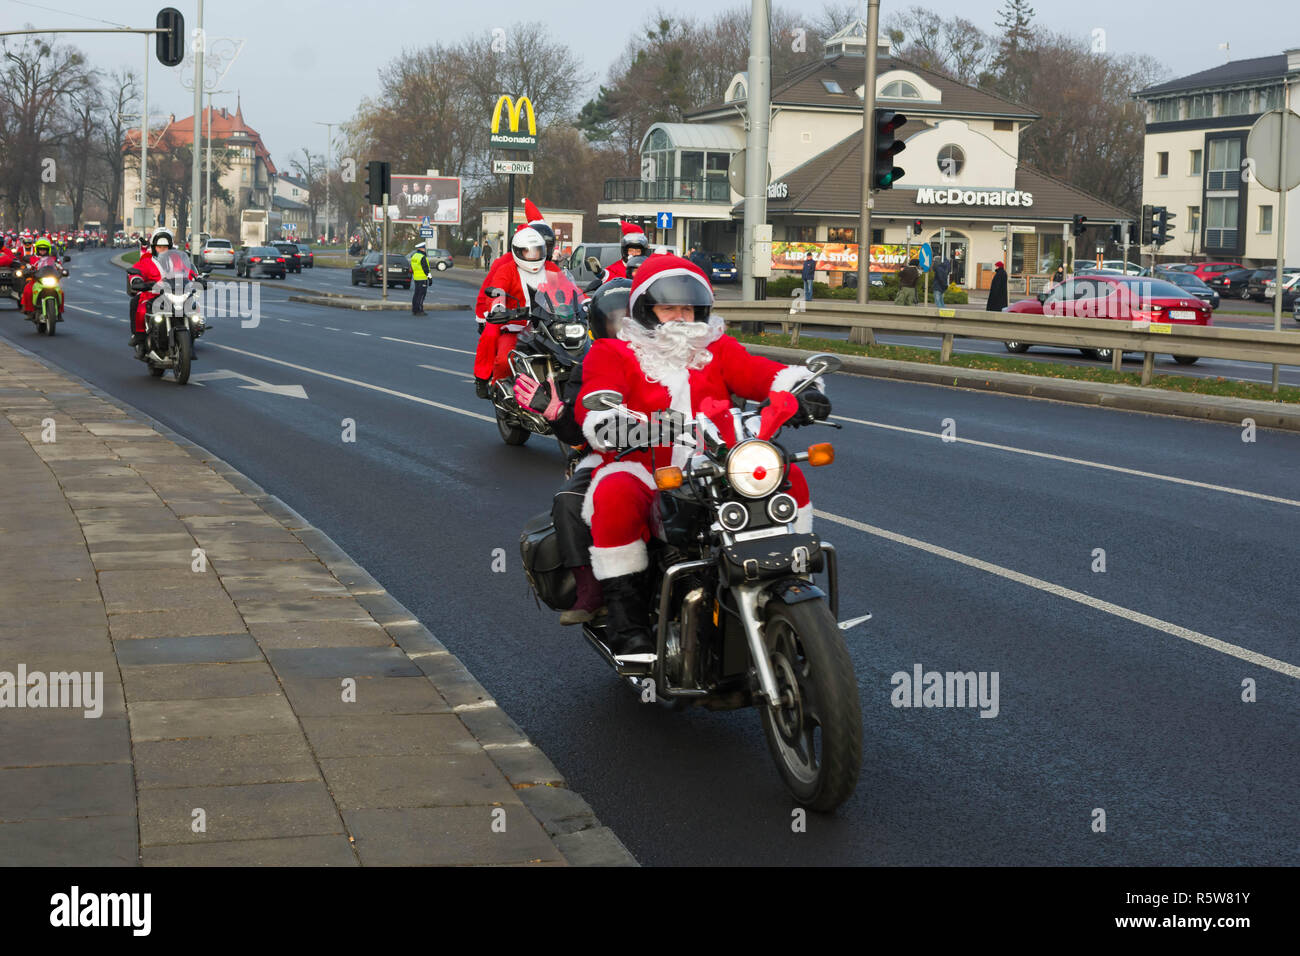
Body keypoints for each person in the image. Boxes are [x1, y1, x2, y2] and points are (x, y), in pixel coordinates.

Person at [574, 254, 831, 662]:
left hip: (717, 462)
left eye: (688, 307)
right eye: (669, 306)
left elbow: (759, 371)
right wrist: (611, 422)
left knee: (787, 476)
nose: (681, 316)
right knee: (613, 492)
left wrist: (799, 390)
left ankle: (795, 587)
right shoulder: (614, 352)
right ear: (646, 310)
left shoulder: (716, 349)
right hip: (647, 467)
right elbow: (598, 401)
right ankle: (629, 624)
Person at [526, 278, 631, 625]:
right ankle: (590, 590)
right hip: (611, 456)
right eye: (615, 320)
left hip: (677, 450)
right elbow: (576, 426)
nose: (623, 327)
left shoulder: (671, 355)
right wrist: (556, 413)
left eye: (631, 318)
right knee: (569, 500)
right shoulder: (591, 364)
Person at [472, 221, 563, 397]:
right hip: (515, 326)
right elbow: (498, 291)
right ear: (518, 251)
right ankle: (501, 391)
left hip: (548, 328)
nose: (533, 255)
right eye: (528, 251)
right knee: (505, 359)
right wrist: (498, 306)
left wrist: (586, 302)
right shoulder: (507, 270)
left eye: (537, 250)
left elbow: (570, 290)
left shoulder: (551, 268)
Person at [409, 240, 431, 315]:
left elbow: (412, 267)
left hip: (416, 278)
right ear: (421, 249)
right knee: (421, 295)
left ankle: (414, 309)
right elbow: (426, 269)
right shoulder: (422, 257)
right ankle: (419, 310)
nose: (425, 249)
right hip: (423, 278)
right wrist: (430, 278)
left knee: (416, 294)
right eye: (424, 248)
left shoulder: (414, 256)